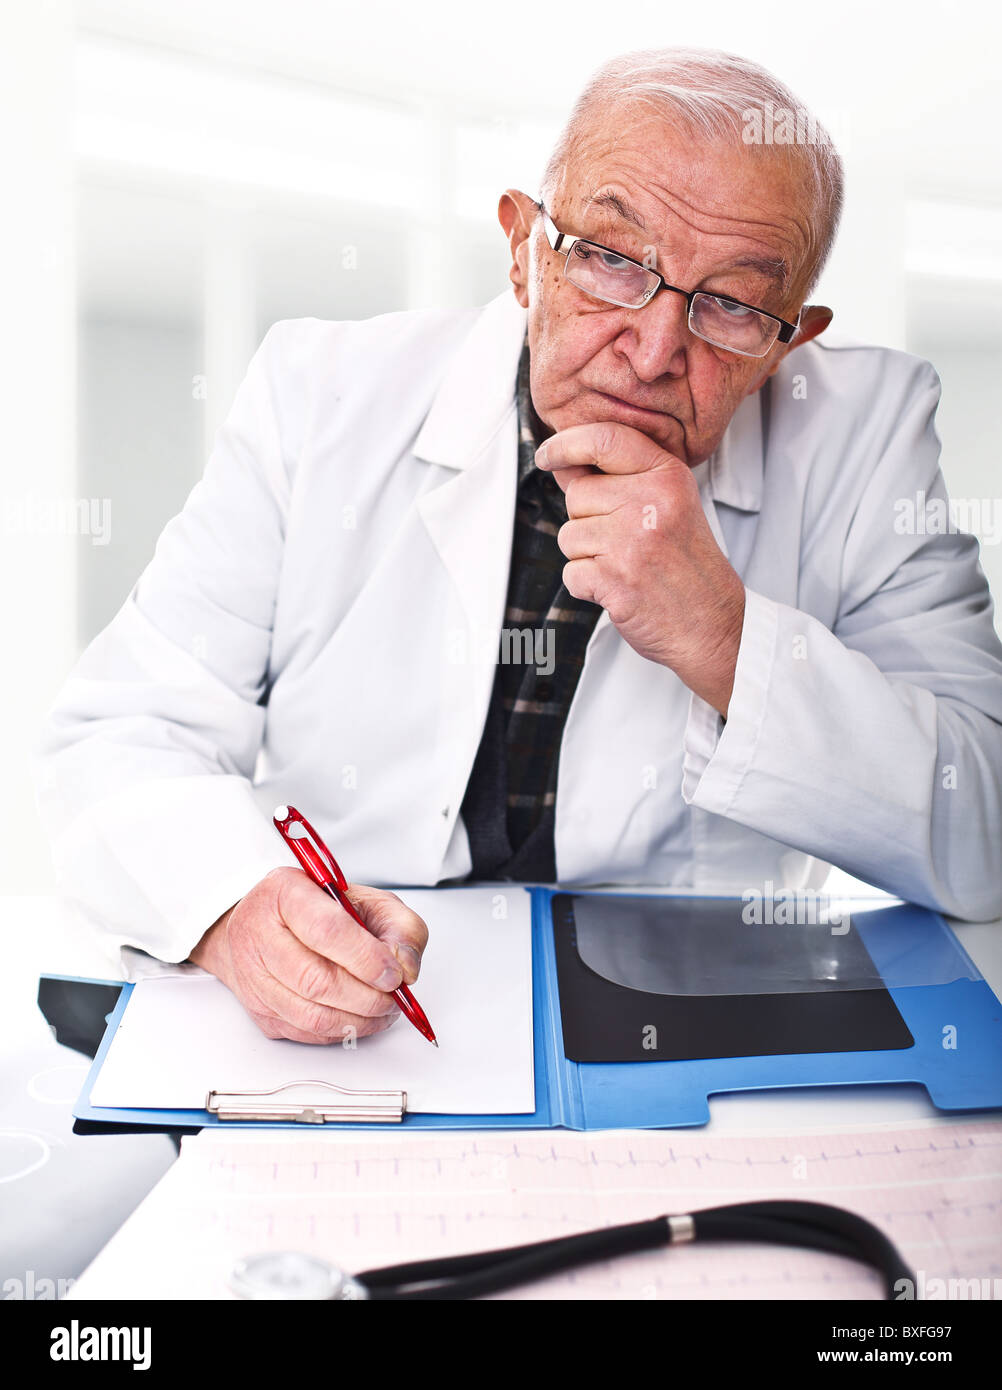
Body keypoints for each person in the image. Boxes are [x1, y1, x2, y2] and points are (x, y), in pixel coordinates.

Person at [35, 48, 1002, 1048]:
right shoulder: (318, 394)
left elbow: (983, 823)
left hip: (688, 1037)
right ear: (523, 251)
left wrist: (727, 637)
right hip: (349, 1037)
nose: (656, 347)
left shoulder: (867, 434)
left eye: (732, 306)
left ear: (791, 343)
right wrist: (235, 909)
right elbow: (122, 735)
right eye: (614, 258)